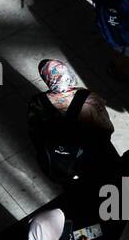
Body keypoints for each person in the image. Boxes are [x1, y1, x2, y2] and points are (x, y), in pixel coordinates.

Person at [27, 59, 116, 187]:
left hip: (62, 161)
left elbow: (34, 133)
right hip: (94, 155)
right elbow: (107, 128)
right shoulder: (89, 98)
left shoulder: (37, 102)